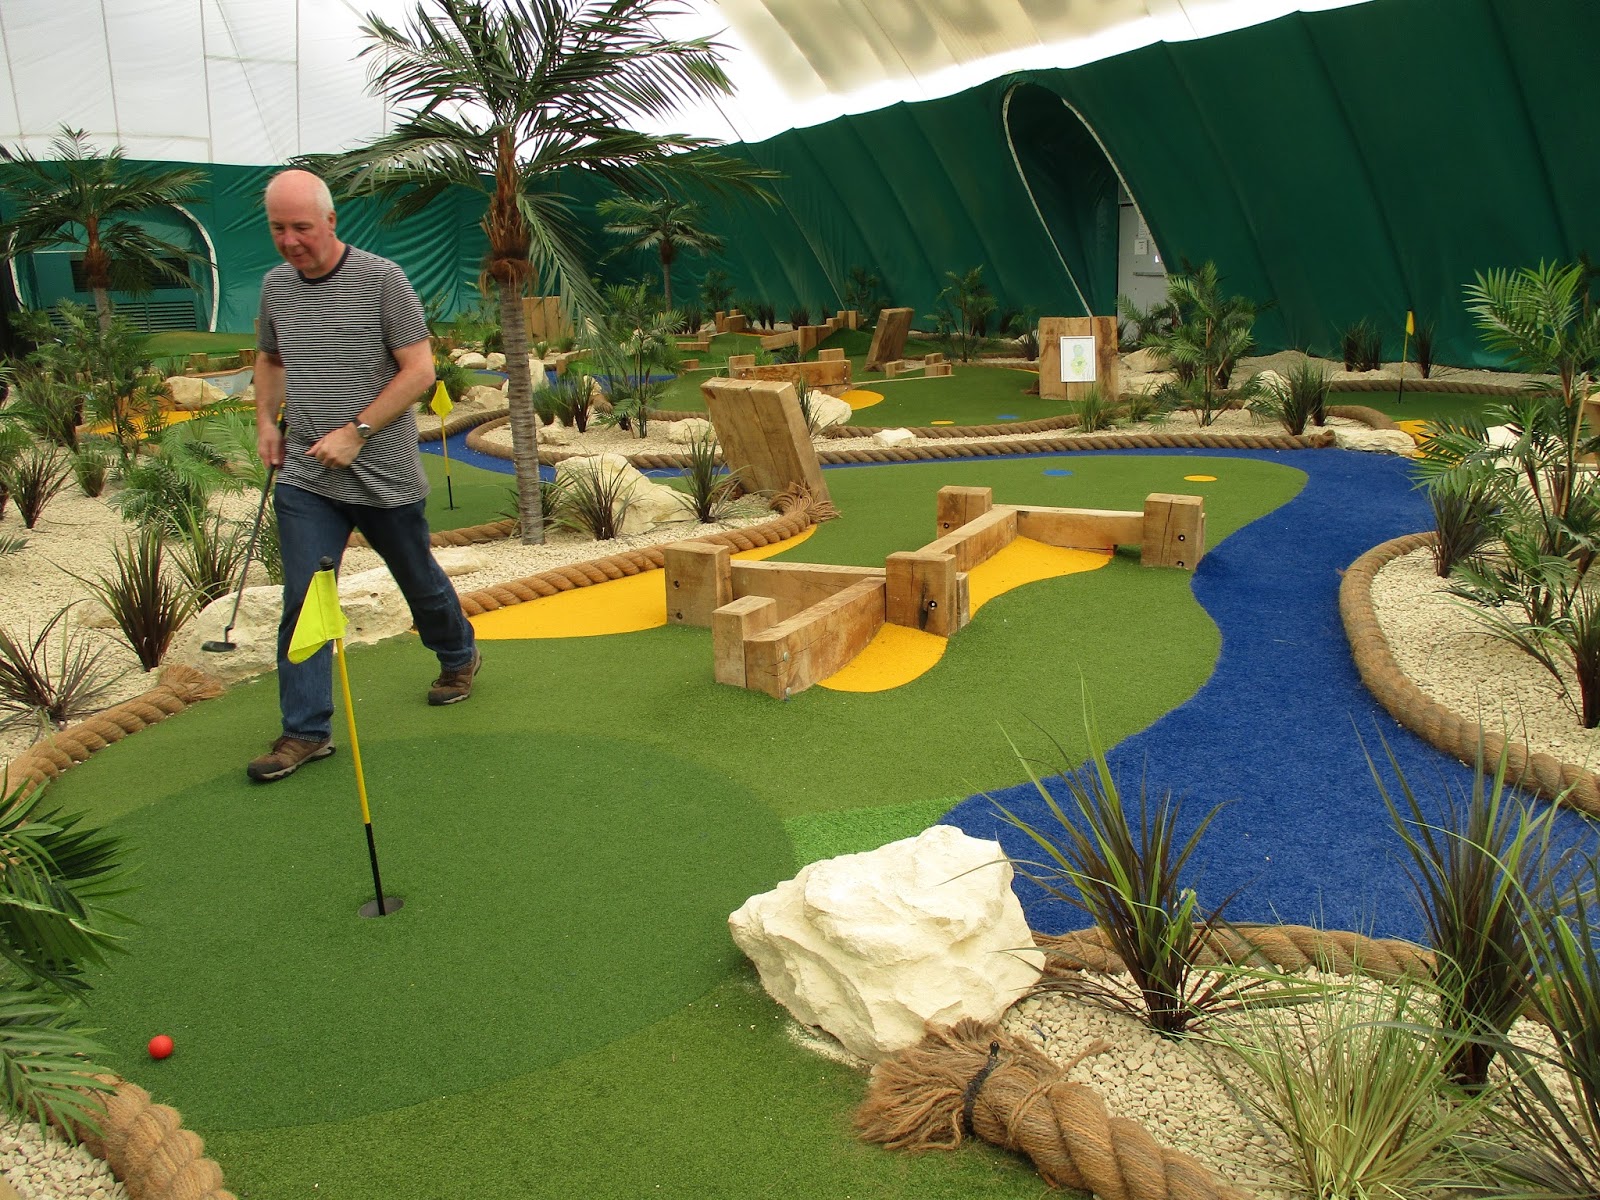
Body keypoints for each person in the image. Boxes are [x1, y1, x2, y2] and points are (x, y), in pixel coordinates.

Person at [247, 168, 480, 783]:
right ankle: (305, 730)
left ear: (329, 221)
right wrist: (266, 421)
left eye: (301, 227)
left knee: (417, 577)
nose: (291, 240)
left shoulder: (381, 280)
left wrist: (356, 432)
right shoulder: (275, 287)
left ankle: (457, 653)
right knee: (304, 598)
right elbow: (270, 359)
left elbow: (419, 371)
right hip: (306, 475)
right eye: (278, 228)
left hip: (383, 473)